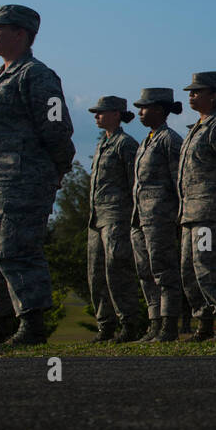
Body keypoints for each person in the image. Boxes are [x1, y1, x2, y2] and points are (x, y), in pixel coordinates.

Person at [0, 5, 75, 346]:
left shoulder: (37, 75)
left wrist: (55, 170)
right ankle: (0, 322)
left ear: (20, 34)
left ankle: (32, 324)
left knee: (15, 248)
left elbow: (58, 129)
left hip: (23, 178)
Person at [177, 72, 216, 341]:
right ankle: (203, 322)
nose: (191, 95)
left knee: (209, 265)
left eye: (197, 91)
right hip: (190, 213)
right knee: (189, 269)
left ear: (214, 95)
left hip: (210, 213)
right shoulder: (196, 128)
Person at [129, 89, 187, 342]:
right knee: (145, 271)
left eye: (145, 107)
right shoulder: (147, 140)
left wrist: (177, 214)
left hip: (160, 215)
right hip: (140, 216)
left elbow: (180, 181)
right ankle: (154, 322)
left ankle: (168, 325)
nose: (140, 112)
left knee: (164, 271)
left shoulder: (169, 140)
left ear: (160, 110)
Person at [84, 96, 142, 342]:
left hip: (118, 216)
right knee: (95, 273)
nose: (97, 116)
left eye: (101, 112)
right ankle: (105, 325)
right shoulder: (102, 144)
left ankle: (129, 323)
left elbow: (135, 182)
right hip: (97, 218)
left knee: (116, 270)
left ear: (116, 114)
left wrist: (134, 216)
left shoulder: (125, 144)